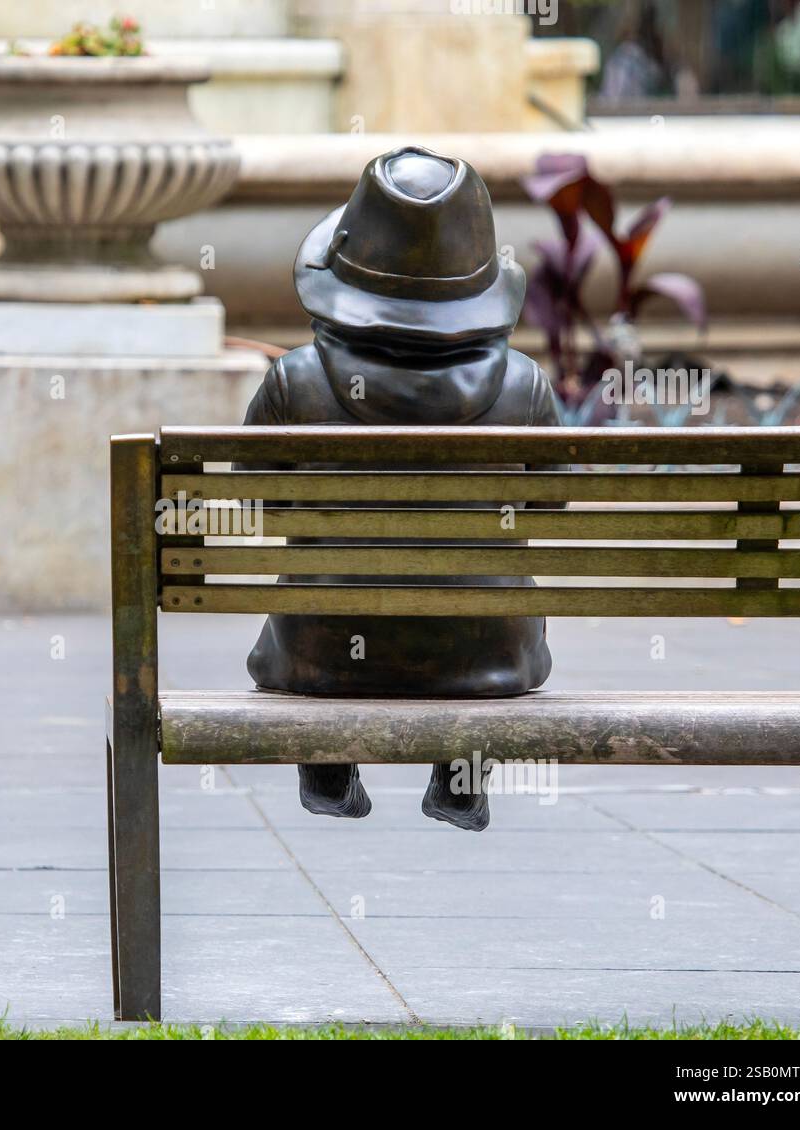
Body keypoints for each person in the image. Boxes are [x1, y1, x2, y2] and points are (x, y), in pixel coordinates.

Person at [240, 147, 561, 829]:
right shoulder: (525, 387)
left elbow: (256, 503)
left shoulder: (295, 382)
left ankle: (326, 759)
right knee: (482, 599)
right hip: (487, 658)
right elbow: (554, 507)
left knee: (323, 590)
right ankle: (462, 772)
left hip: (320, 655)